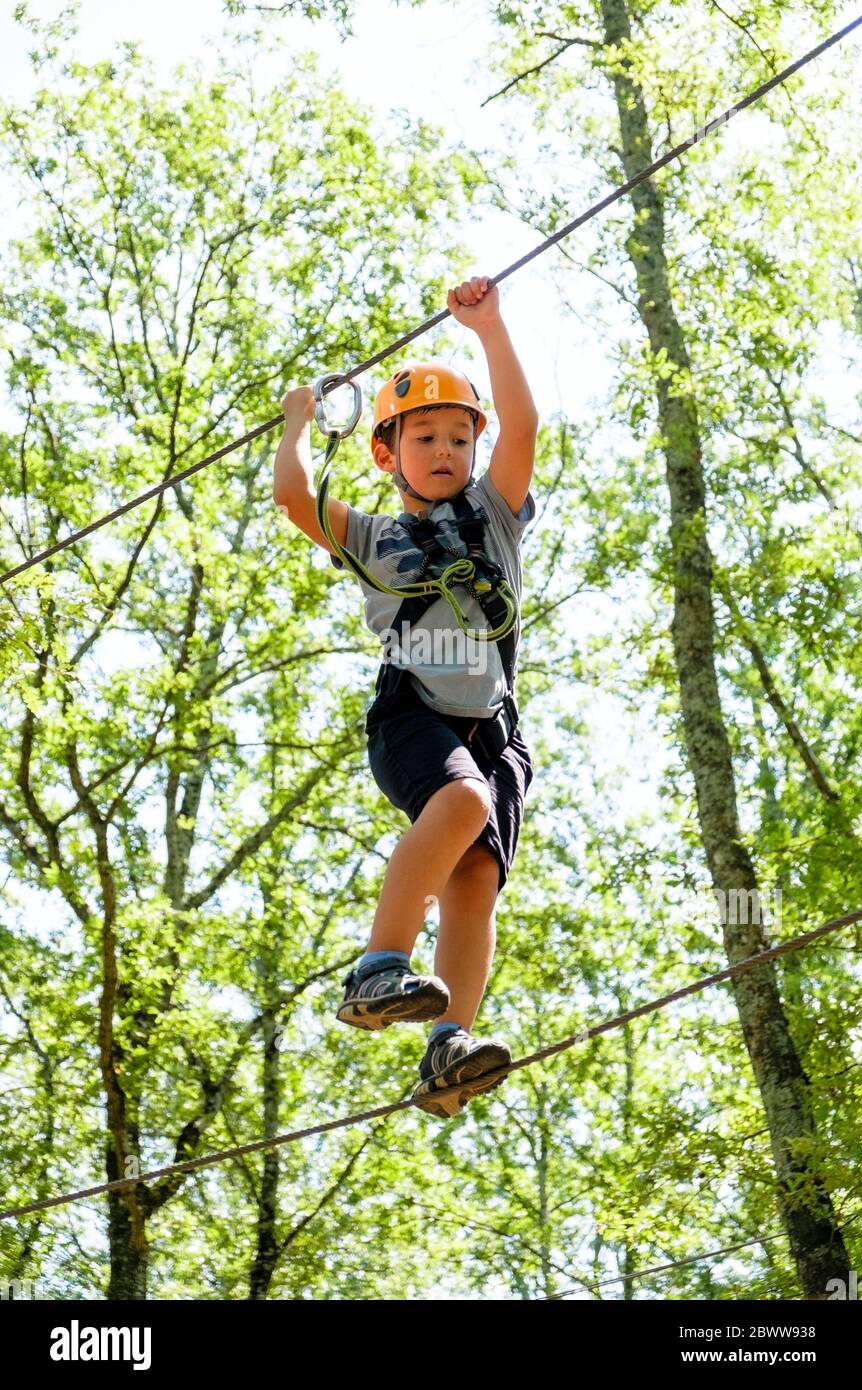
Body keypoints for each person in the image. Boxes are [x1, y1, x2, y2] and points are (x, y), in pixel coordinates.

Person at [273, 275, 538, 1118]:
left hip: (495, 725)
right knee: (459, 803)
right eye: (424, 437)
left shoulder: (495, 513)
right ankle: (378, 965)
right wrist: (296, 426)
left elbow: (524, 427)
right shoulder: (374, 537)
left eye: (460, 437)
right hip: (413, 713)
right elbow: (293, 497)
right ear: (389, 454)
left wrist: (490, 330)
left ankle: (448, 1049)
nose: (446, 451)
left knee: (478, 877)